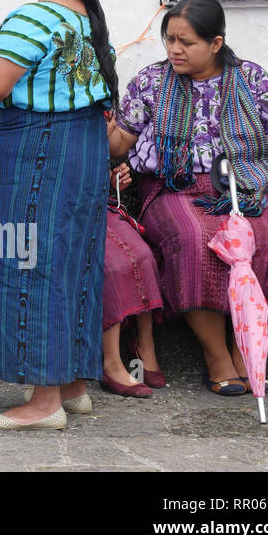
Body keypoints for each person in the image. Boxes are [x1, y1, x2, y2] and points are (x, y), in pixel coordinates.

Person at [108, 0, 268, 394]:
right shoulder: (150, 82)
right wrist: (98, 118)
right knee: (196, 239)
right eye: (169, 40)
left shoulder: (252, 80)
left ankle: (243, 346)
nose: (175, 50)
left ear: (216, 43)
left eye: (186, 42)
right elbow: (119, 142)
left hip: (243, 189)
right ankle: (216, 355)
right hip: (173, 190)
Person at [0, 0, 116, 430]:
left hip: (33, 147)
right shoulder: (88, 21)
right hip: (82, 148)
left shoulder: (36, 17)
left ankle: (43, 401)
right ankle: (71, 385)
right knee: (72, 259)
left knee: (25, 258)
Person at [101, 163, 164, 397]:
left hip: (99, 205)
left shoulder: (98, 127)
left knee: (143, 256)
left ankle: (144, 344)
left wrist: (111, 178)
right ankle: (111, 363)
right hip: (62, 210)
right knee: (114, 266)